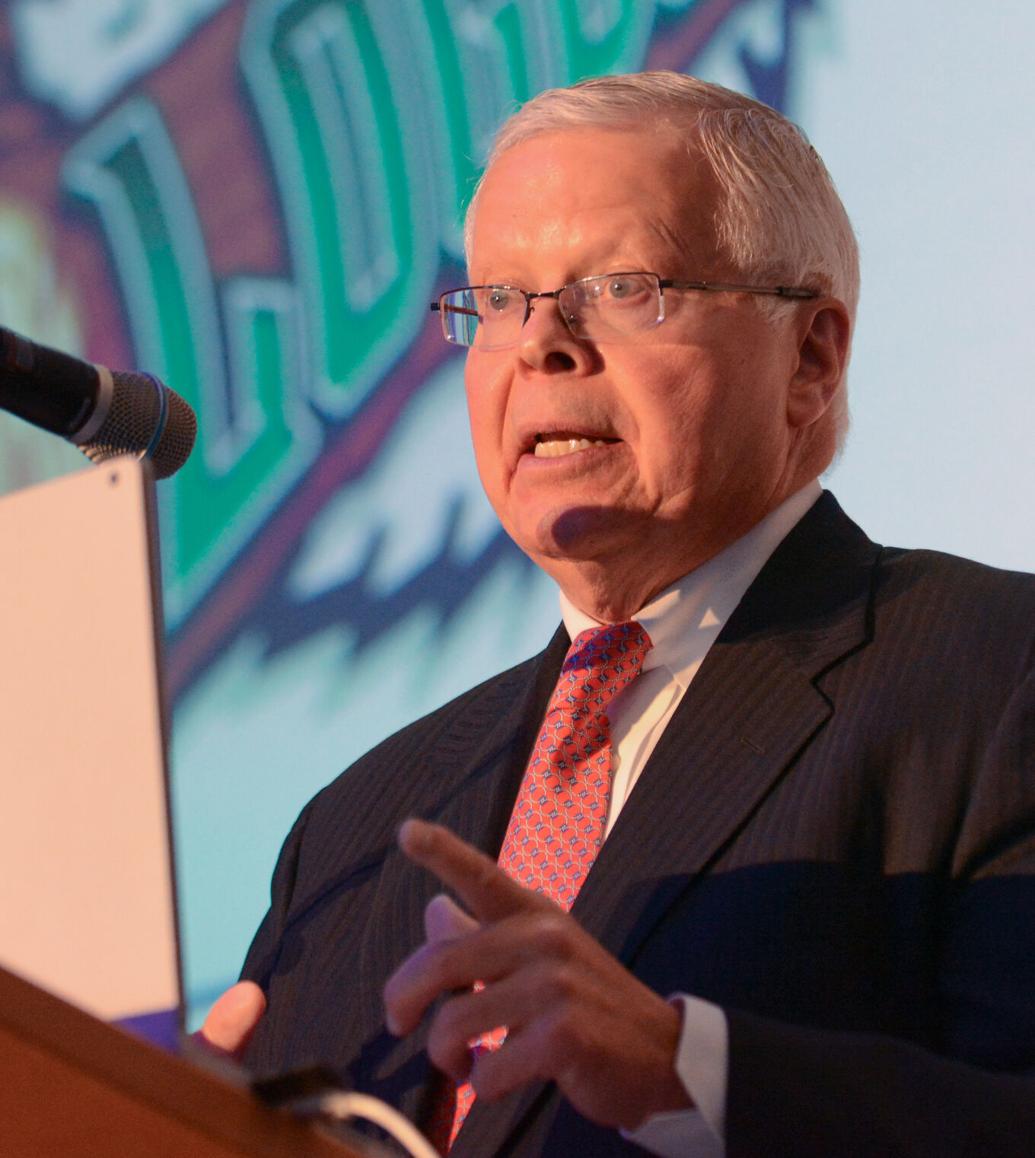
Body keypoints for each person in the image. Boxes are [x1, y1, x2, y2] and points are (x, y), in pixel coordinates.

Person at [201, 73, 1035, 1156]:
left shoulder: (993, 675)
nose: (543, 342)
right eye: (499, 299)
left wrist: (685, 1071)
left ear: (811, 355)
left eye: (625, 286)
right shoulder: (353, 829)